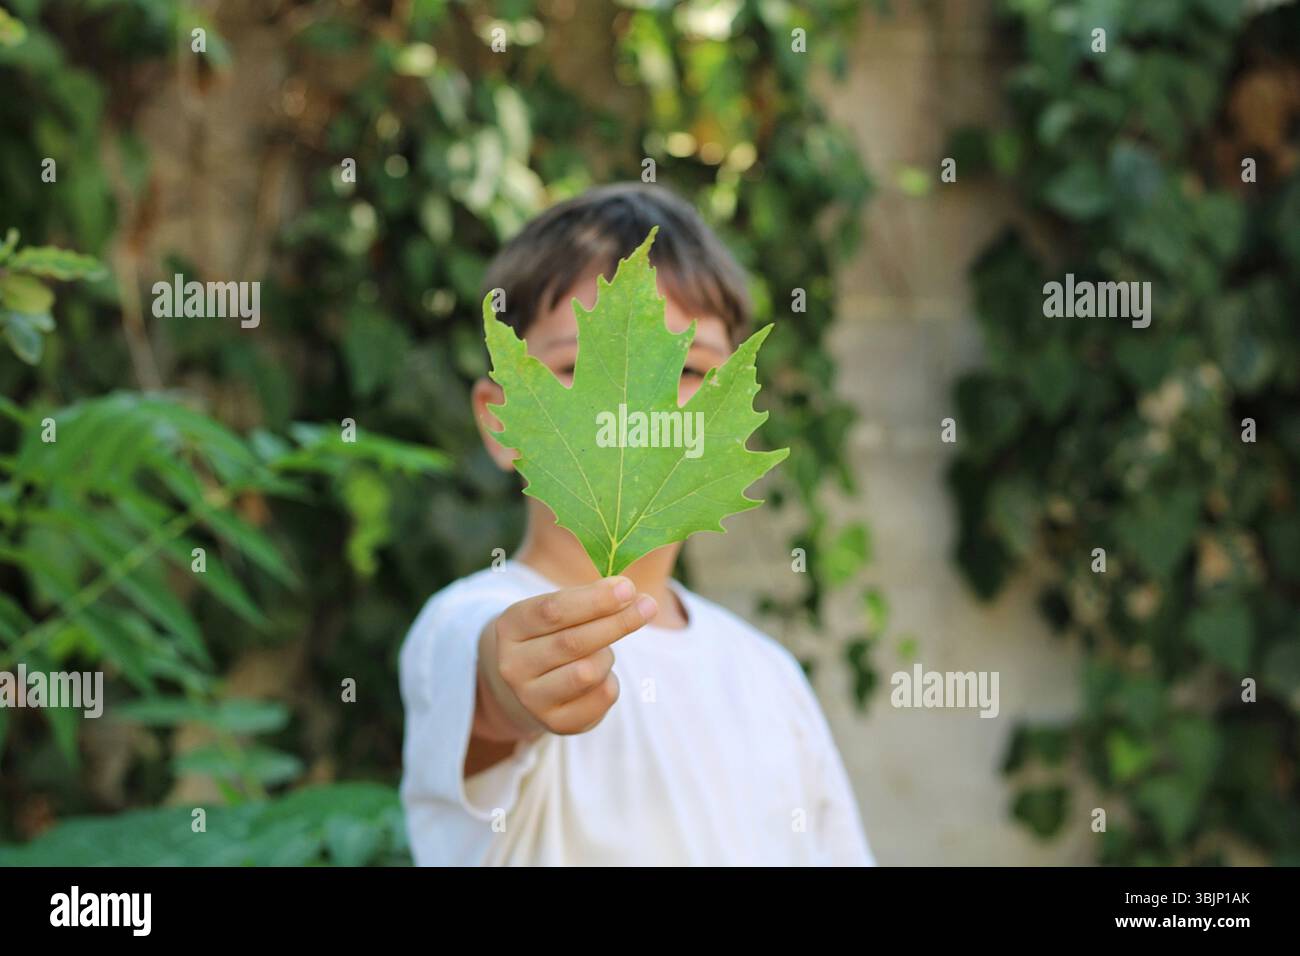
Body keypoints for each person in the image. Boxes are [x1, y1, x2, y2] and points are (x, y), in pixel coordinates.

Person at [399, 182, 874, 865]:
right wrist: (509, 694)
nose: (635, 410)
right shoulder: (469, 620)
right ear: (502, 421)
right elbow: (488, 683)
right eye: (577, 365)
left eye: (688, 370)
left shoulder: (770, 679)